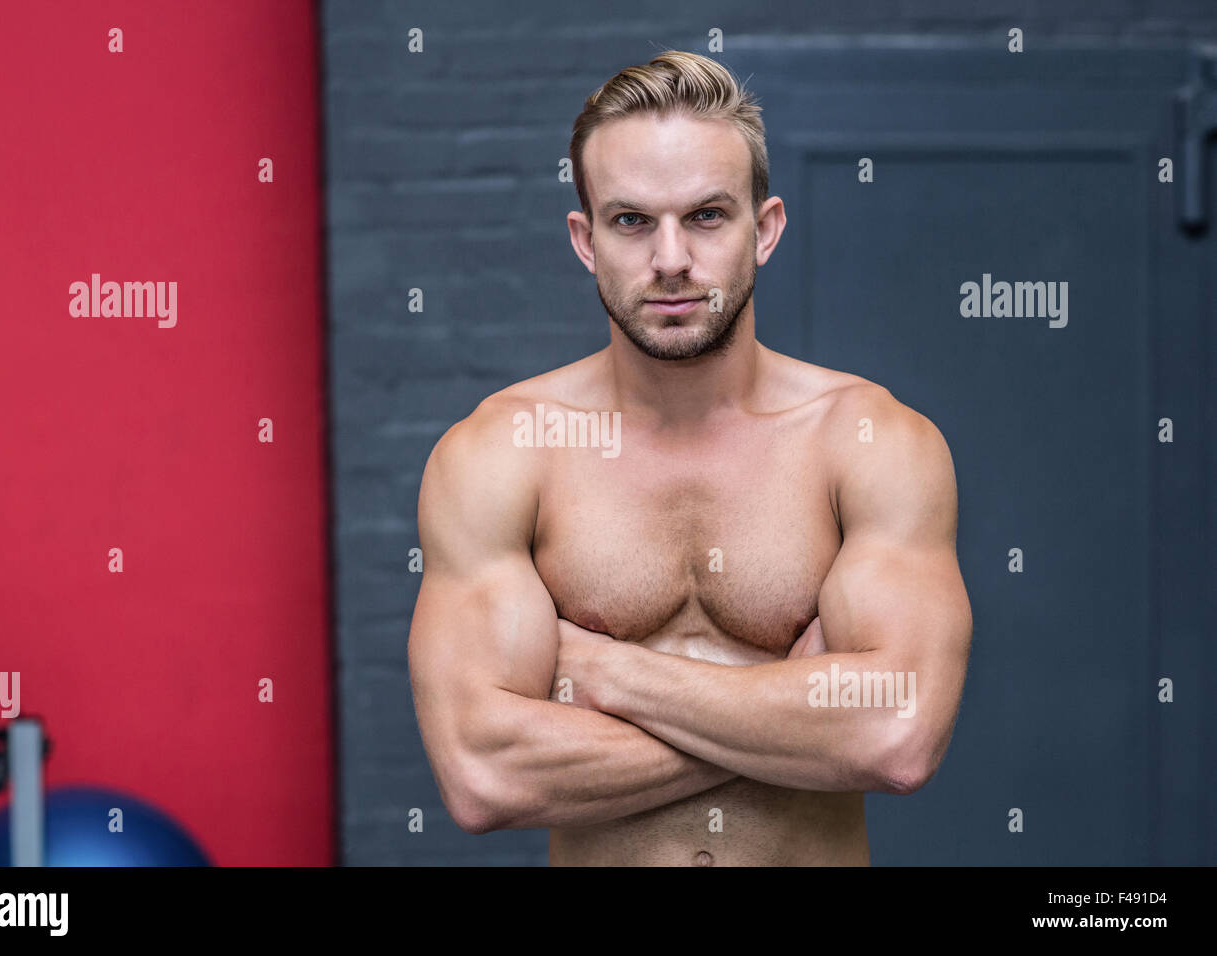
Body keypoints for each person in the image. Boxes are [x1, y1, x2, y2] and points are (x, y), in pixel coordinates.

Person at [407, 50, 972, 866]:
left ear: (765, 229)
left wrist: (607, 676)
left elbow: (895, 734)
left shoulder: (871, 443)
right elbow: (483, 777)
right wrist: (795, 720)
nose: (671, 259)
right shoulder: (500, 455)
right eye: (632, 221)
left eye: (707, 215)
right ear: (585, 240)